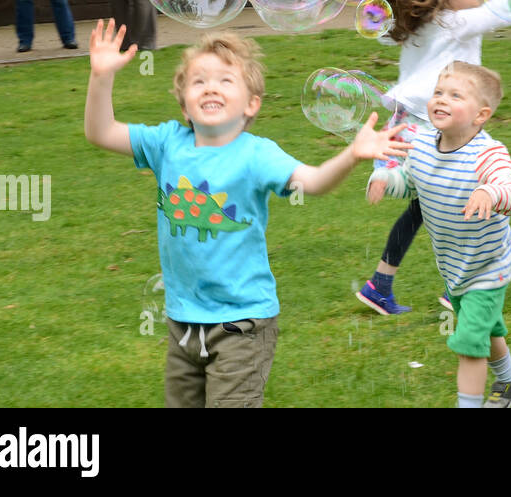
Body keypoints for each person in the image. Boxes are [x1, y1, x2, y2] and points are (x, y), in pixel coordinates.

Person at [83, 23, 410, 407]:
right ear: (184, 102)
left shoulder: (257, 154)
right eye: (198, 81)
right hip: (183, 320)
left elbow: (315, 181)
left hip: (242, 323)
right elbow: (101, 132)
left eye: (225, 80)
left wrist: (351, 155)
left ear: (251, 103)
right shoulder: (166, 143)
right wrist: (101, 77)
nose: (210, 87)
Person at [356, 0, 511, 316]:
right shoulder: (455, 22)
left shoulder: (419, 24)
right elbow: (505, 9)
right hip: (430, 126)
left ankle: (381, 284)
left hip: (404, 123)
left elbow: (383, 32)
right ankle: (460, 289)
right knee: (457, 199)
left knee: (425, 206)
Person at [369, 61, 511, 408]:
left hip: (488, 266)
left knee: (469, 341)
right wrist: (386, 180)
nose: (441, 99)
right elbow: (412, 184)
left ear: (480, 115)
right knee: (486, 327)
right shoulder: (424, 144)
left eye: (455, 95)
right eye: (438, 92)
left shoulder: (488, 153)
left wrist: (491, 193)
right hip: (454, 265)